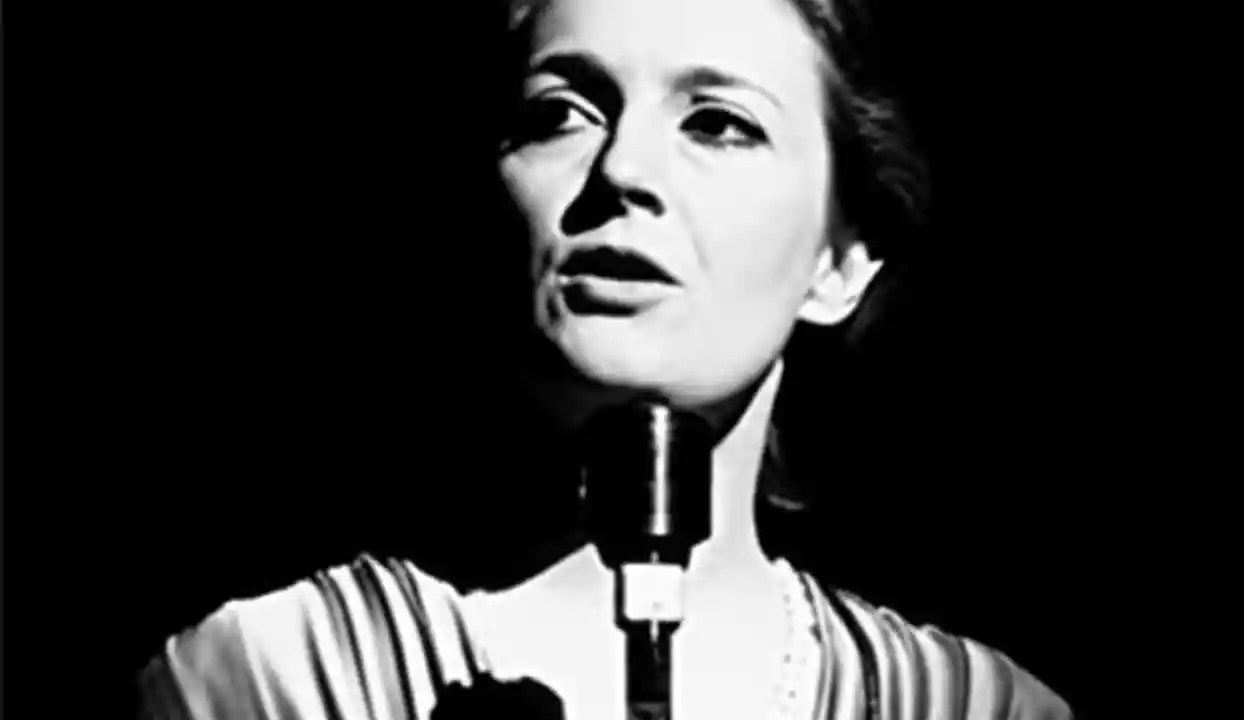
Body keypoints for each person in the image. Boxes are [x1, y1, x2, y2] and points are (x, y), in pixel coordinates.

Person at [136, 0, 1073, 717]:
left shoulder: (966, 707)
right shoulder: (268, 678)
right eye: (561, 113)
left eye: (718, 123)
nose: (623, 171)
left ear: (840, 263)